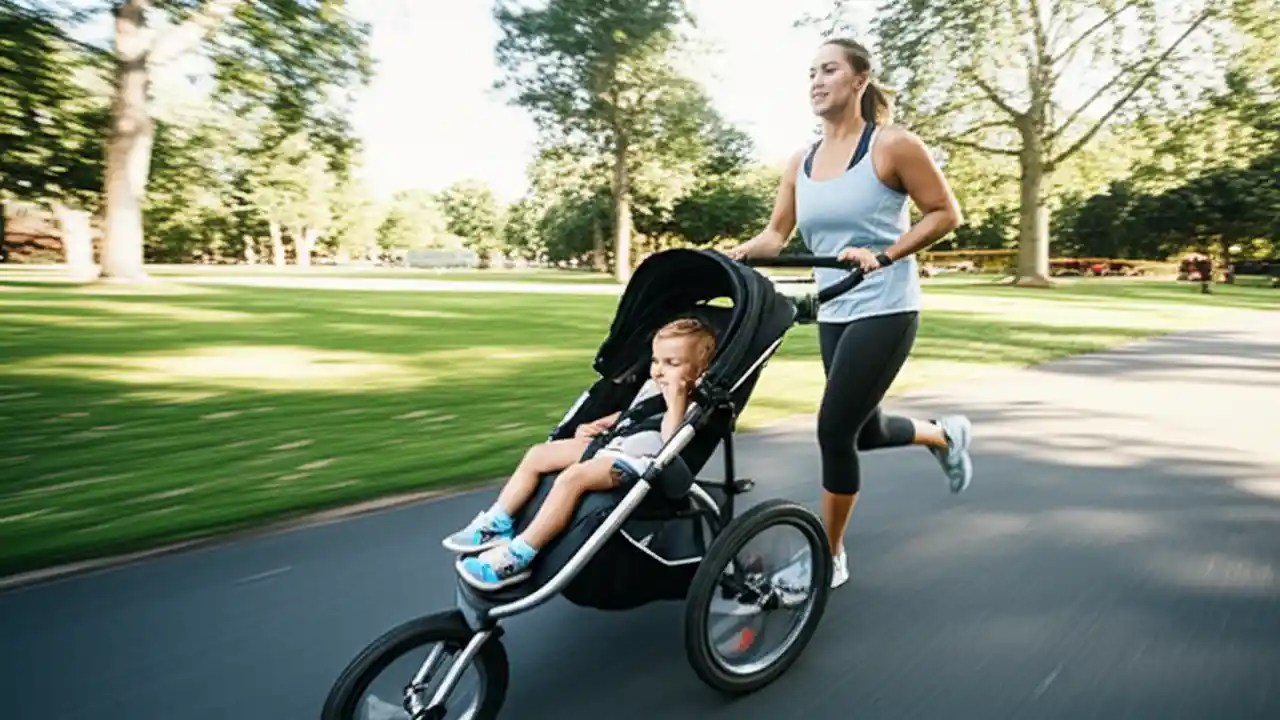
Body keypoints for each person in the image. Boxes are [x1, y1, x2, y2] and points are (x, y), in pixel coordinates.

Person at [726, 38, 972, 590]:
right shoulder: (801, 161)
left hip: (886, 306)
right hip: (834, 312)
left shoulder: (893, 145)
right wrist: (734, 253)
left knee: (834, 430)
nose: (816, 80)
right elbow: (775, 234)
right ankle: (943, 435)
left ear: (859, 79)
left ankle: (827, 556)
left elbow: (944, 213)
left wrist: (885, 255)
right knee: (863, 431)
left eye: (829, 69)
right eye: (811, 71)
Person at [444, 317, 717, 591]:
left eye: (672, 363)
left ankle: (520, 554)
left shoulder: (694, 401)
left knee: (573, 478)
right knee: (539, 454)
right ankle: (498, 522)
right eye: (656, 360)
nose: (658, 370)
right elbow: (636, 413)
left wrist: (677, 399)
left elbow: (671, 441)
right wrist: (603, 423)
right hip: (615, 442)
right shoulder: (653, 385)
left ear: (701, 367)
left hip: (637, 463)